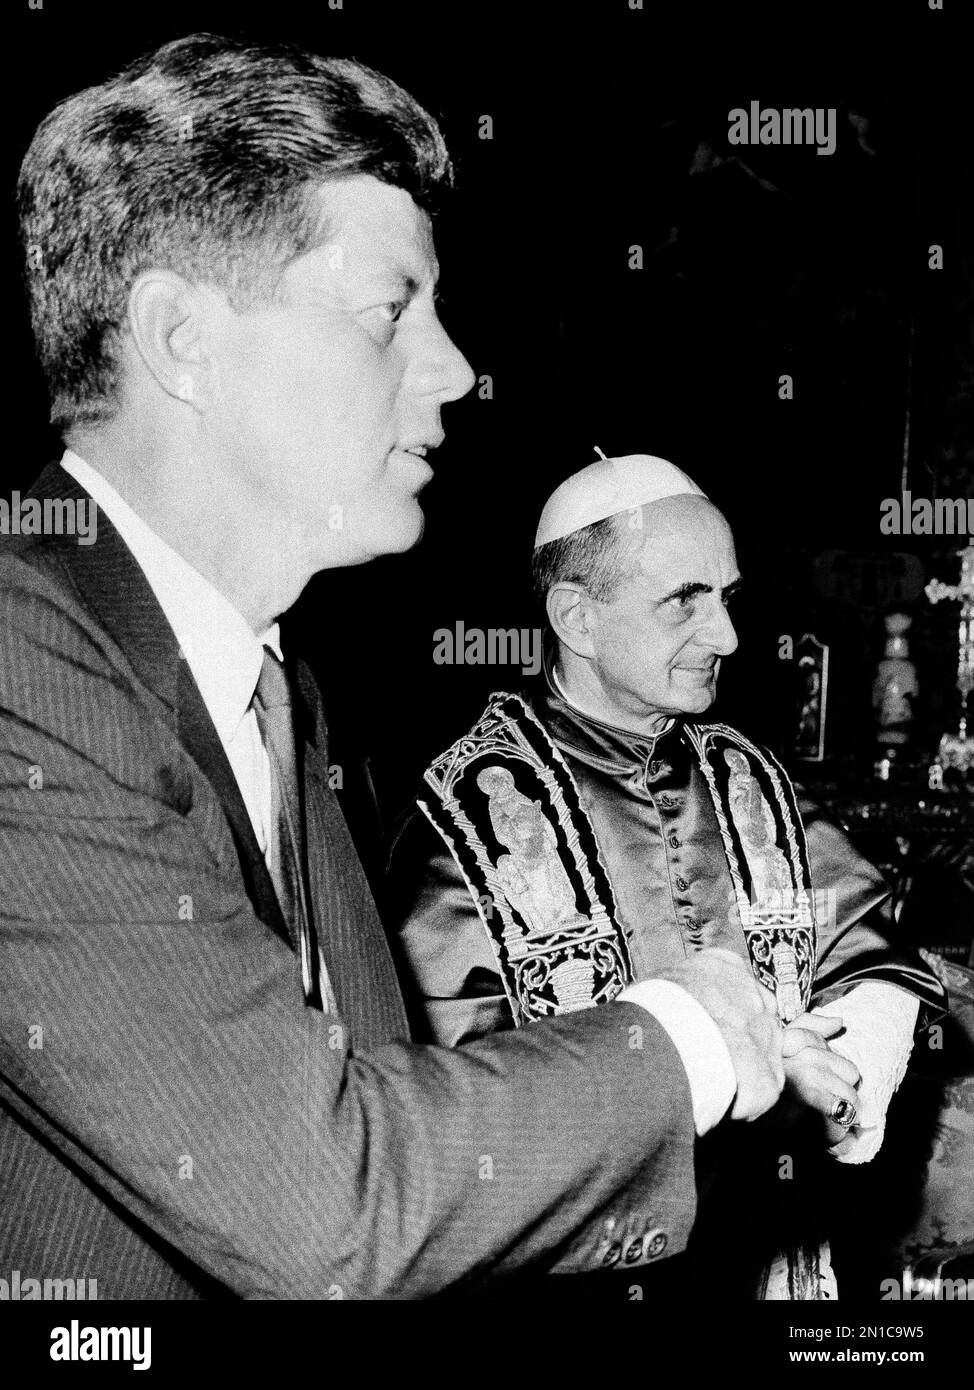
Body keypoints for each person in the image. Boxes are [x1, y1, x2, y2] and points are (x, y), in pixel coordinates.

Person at [0, 36, 787, 1301]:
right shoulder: (19, 672)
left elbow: (380, 1139)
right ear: (179, 338)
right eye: (389, 308)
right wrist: (687, 1034)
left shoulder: (272, 689)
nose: (455, 368)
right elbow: (325, 1210)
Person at [389, 452, 946, 1297]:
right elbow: (458, 1103)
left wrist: (832, 1064)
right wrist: (720, 1080)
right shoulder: (467, 813)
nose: (727, 635)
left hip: (766, 1253)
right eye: (685, 601)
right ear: (576, 616)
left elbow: (870, 955)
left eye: (727, 597)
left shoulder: (746, 775)